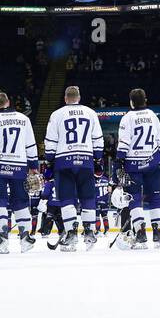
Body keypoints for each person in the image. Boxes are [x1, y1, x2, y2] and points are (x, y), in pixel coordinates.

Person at [0, 91, 39, 254]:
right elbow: (31, 145)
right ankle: (25, 238)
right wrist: (33, 166)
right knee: (21, 202)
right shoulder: (24, 119)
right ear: (8, 102)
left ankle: (2, 239)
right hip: (18, 166)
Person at [44, 85, 104, 251]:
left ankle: (71, 233)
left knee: (67, 198)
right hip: (85, 160)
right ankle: (90, 232)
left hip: (64, 161)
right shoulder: (91, 113)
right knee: (88, 197)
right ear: (79, 97)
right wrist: (98, 159)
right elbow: (98, 139)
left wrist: (49, 161)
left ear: (65, 98)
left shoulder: (57, 114)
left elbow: (51, 142)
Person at [116, 88, 160, 249]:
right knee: (154, 197)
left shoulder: (127, 118)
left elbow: (123, 145)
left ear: (131, 102)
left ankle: (140, 232)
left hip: (133, 165)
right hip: (152, 162)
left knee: (135, 198)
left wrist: (118, 162)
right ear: (146, 99)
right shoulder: (152, 115)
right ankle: (157, 231)